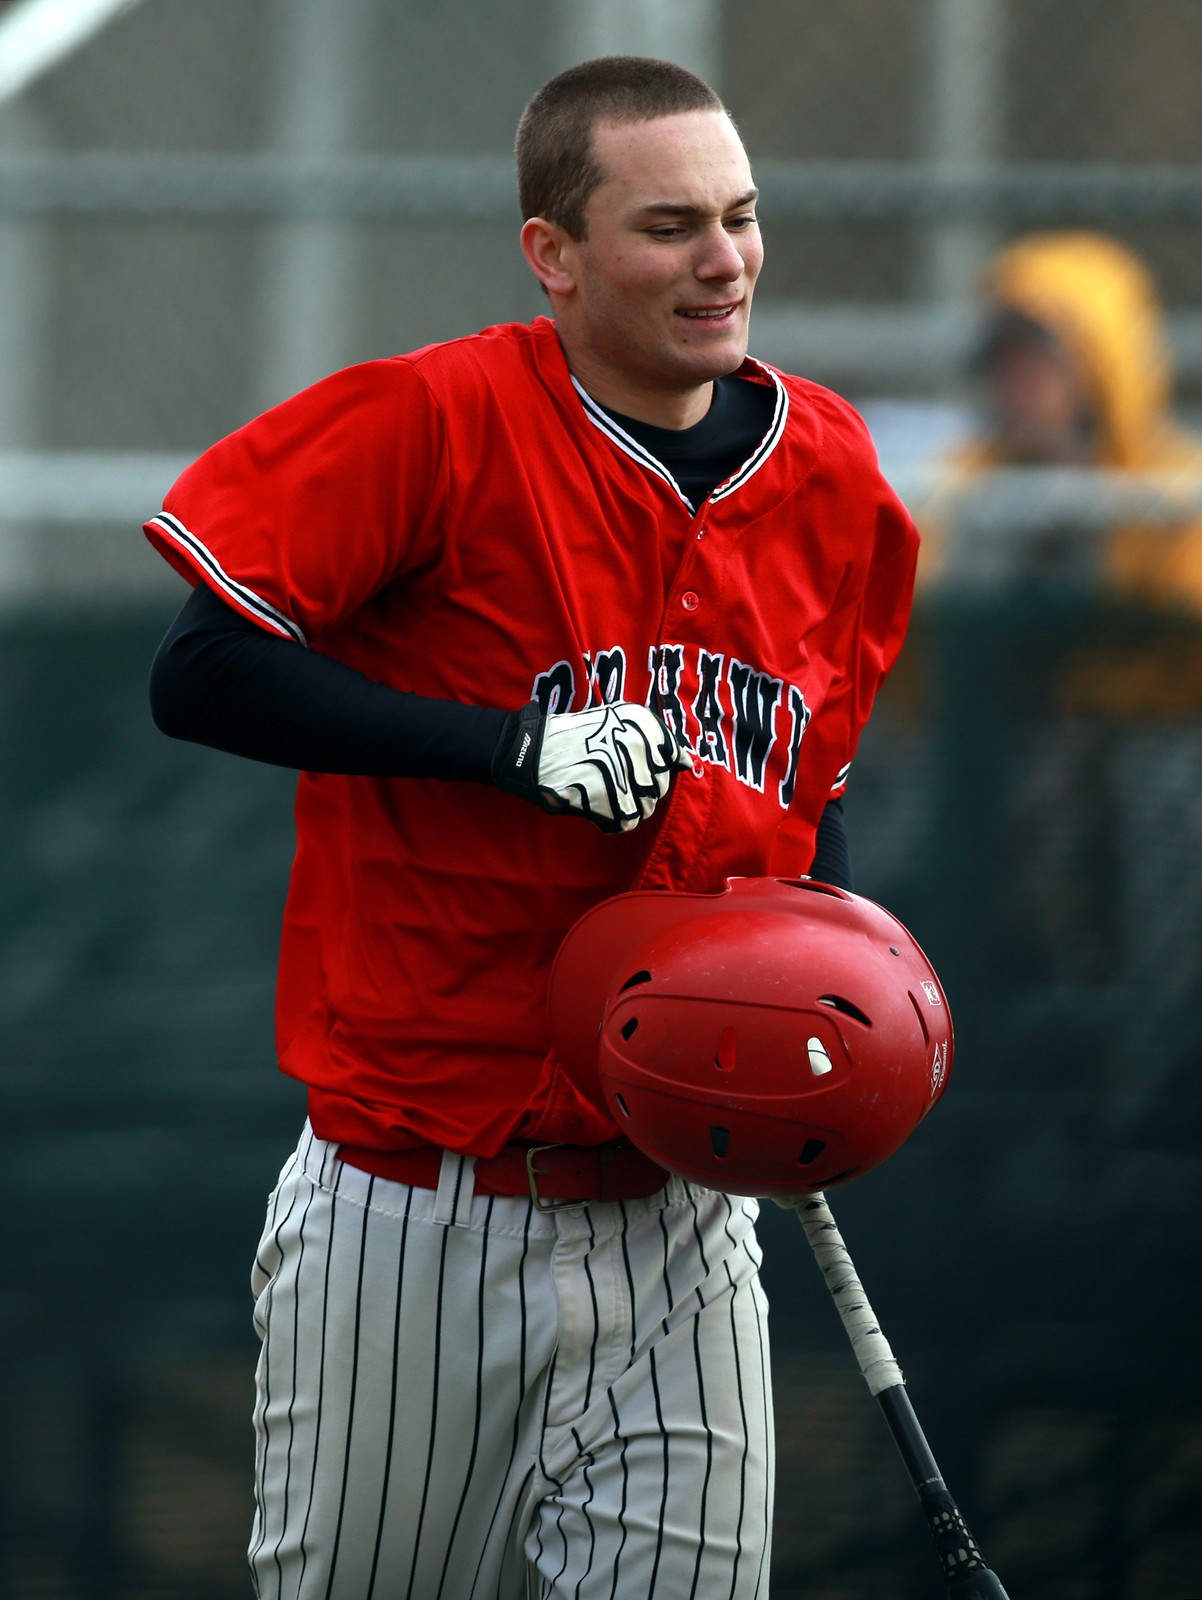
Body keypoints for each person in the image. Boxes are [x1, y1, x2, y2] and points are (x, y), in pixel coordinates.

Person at [144, 56, 917, 1599]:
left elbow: (808, 809)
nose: (724, 261)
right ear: (551, 254)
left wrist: (816, 1014)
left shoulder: (827, 469)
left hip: (679, 1209)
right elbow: (200, 669)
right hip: (415, 1208)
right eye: (669, 226)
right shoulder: (434, 419)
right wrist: (510, 748)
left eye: (743, 219)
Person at [916, 230, 1202, 607]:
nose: (1014, 387)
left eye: (1036, 364)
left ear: (1102, 369)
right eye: (1002, 364)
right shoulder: (961, 483)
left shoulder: (1173, 492)